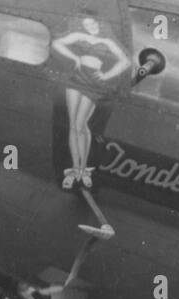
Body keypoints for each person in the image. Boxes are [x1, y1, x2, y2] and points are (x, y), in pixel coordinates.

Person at [50, 12, 132, 190]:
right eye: (87, 25)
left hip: (94, 84)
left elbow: (125, 61)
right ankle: (77, 169)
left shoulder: (108, 42)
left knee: (81, 124)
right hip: (77, 78)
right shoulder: (79, 36)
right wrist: (75, 58)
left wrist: (107, 75)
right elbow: (56, 43)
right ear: (83, 26)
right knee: (74, 124)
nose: (91, 27)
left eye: (93, 24)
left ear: (99, 23)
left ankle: (81, 169)